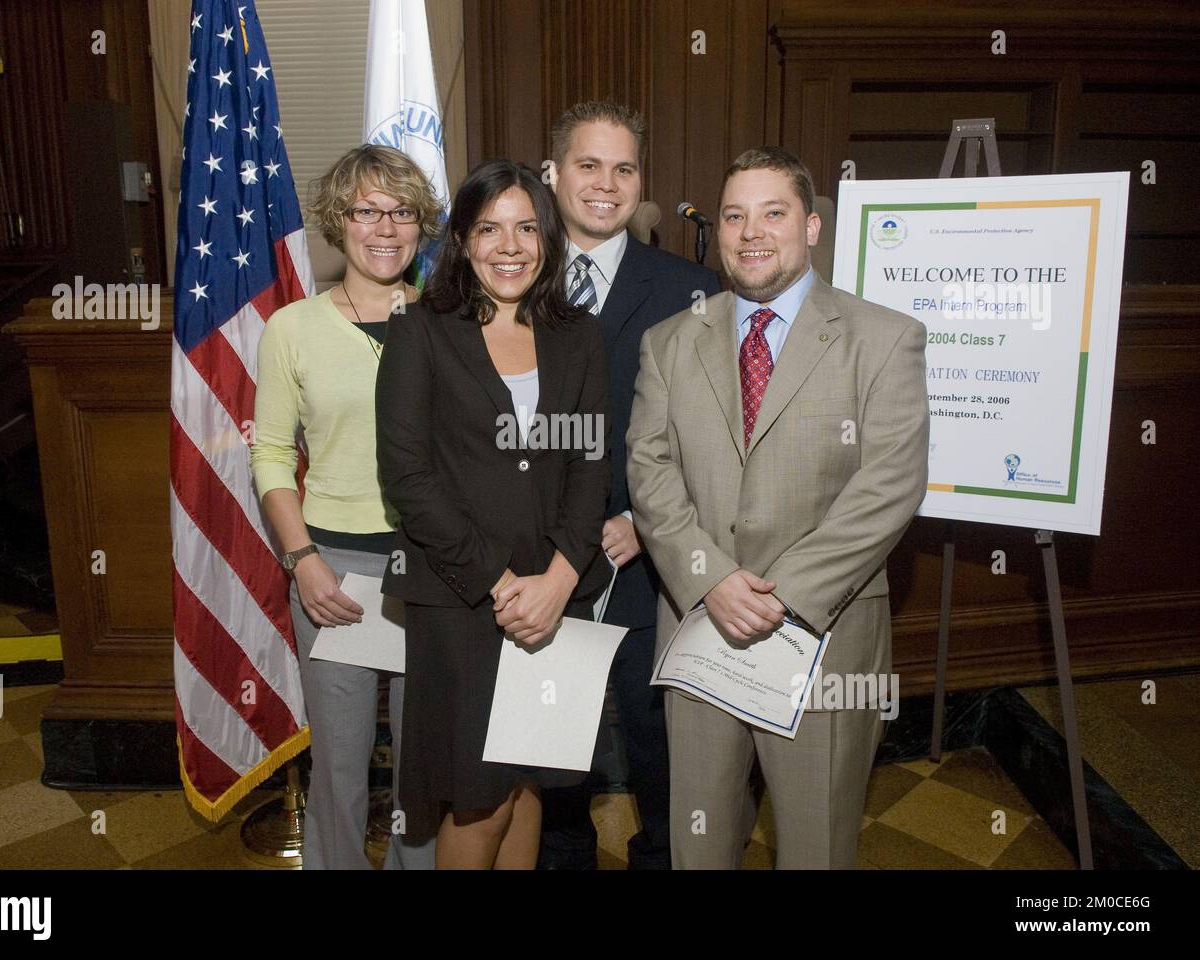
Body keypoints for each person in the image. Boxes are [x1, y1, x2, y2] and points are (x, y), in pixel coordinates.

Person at [626, 147, 930, 869]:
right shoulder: (669, 343)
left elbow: (890, 485)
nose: (750, 232)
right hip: (701, 629)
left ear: (813, 226)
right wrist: (713, 580)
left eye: (774, 213)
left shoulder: (884, 339)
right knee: (698, 845)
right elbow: (649, 468)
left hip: (826, 640)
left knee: (815, 846)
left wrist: (782, 596)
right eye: (734, 215)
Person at [375, 159, 611, 869]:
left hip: (554, 592)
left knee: (526, 779)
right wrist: (503, 583)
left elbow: (590, 465)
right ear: (463, 241)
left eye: (526, 228)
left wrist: (562, 577)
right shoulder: (420, 331)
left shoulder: (578, 335)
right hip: (461, 599)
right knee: (478, 798)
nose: (509, 246)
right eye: (489, 228)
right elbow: (408, 478)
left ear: (547, 240)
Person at [250, 144, 442, 870]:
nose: (385, 227)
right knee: (338, 760)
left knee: (424, 766)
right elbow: (269, 455)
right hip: (334, 570)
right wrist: (302, 561)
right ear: (340, 221)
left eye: (401, 211)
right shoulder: (291, 329)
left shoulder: (453, 322)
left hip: (433, 568)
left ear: (421, 225)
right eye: (367, 210)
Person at [539, 101, 719, 870]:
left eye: (624, 168)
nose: (606, 184)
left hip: (649, 565)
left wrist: (650, 522)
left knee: (658, 746)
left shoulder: (691, 289)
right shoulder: (506, 270)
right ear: (553, 174)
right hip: (537, 563)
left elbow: (717, 434)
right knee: (552, 751)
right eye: (588, 165)